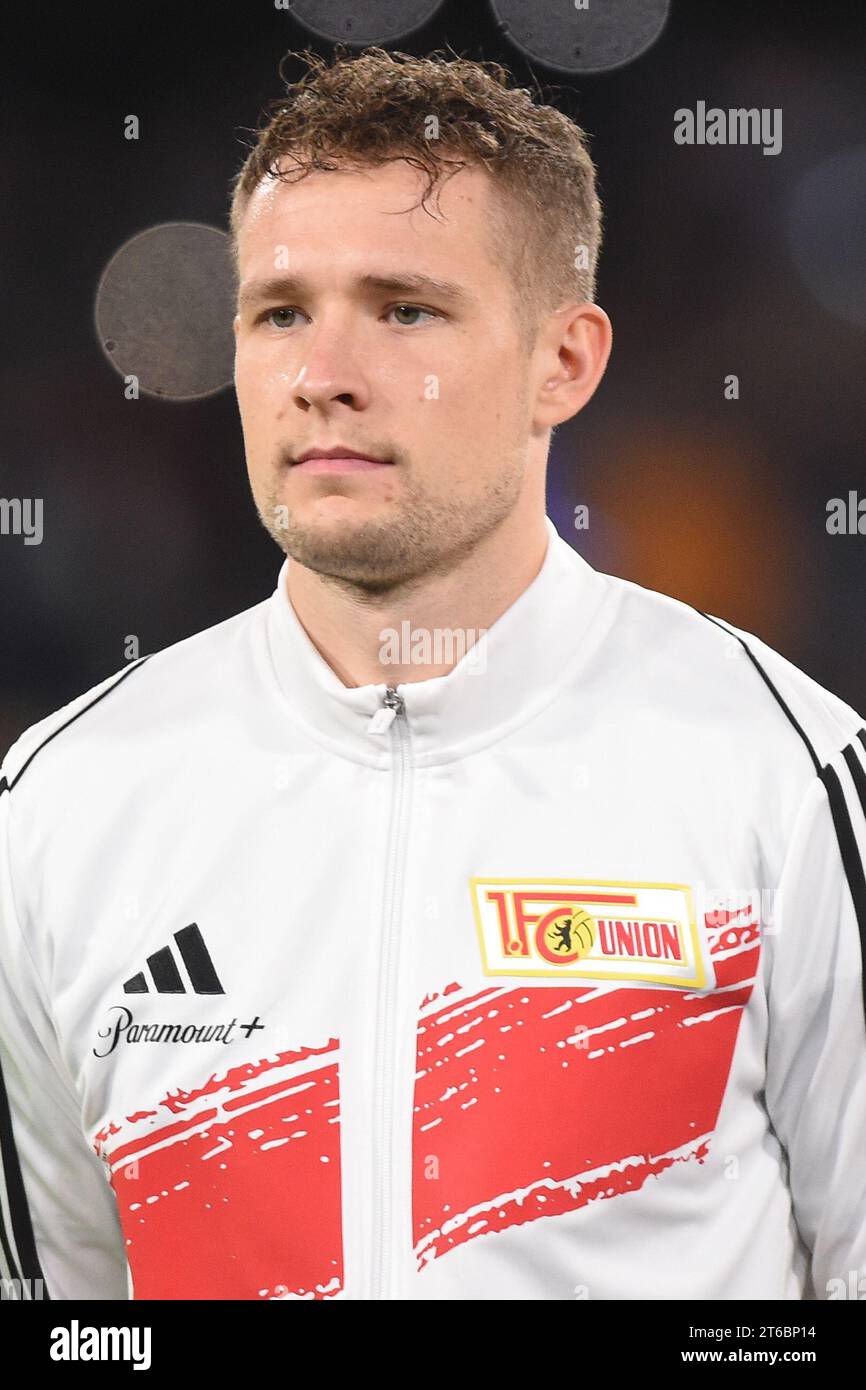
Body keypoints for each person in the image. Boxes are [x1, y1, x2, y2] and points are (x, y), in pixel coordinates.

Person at [1, 45, 864, 1302]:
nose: (322, 375)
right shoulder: (56, 810)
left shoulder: (784, 780)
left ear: (561, 363)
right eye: (280, 311)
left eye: (405, 308)